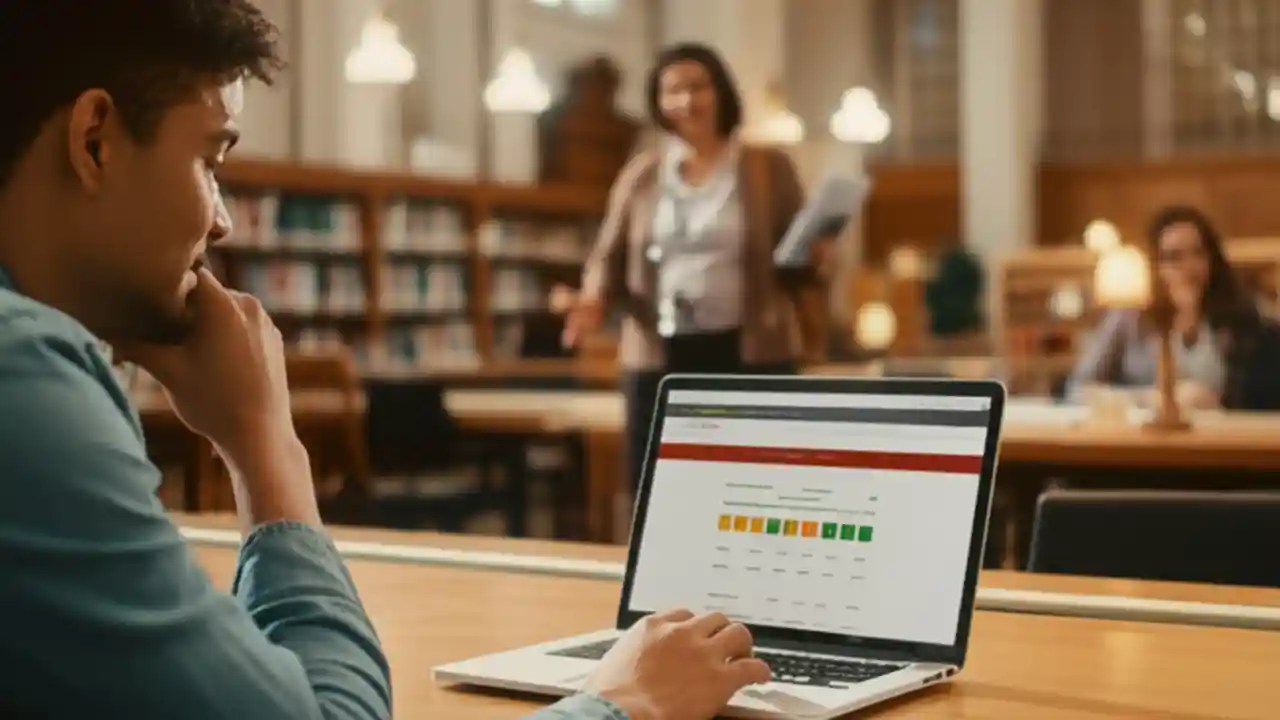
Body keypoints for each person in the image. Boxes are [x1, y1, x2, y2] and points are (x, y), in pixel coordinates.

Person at [0, 2, 767, 718]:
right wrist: (265, 443)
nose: (225, 221)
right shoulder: (25, 377)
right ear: (94, 139)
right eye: (212, 160)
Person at [563, 43, 834, 492]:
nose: (687, 101)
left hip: (750, 353)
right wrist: (590, 300)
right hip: (660, 354)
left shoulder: (770, 168)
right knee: (660, 488)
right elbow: (605, 259)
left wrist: (817, 255)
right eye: (672, 90)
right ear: (657, 103)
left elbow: (798, 264)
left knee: (757, 487)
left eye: (697, 86)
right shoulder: (642, 174)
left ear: (721, 92)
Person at [1069, 205, 1280, 410]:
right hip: (1146, 435)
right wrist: (1153, 399)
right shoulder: (1129, 315)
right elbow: (1077, 390)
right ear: (1154, 265)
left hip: (1220, 436)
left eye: (1198, 253)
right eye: (1174, 257)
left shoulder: (1239, 312)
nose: (1190, 267)